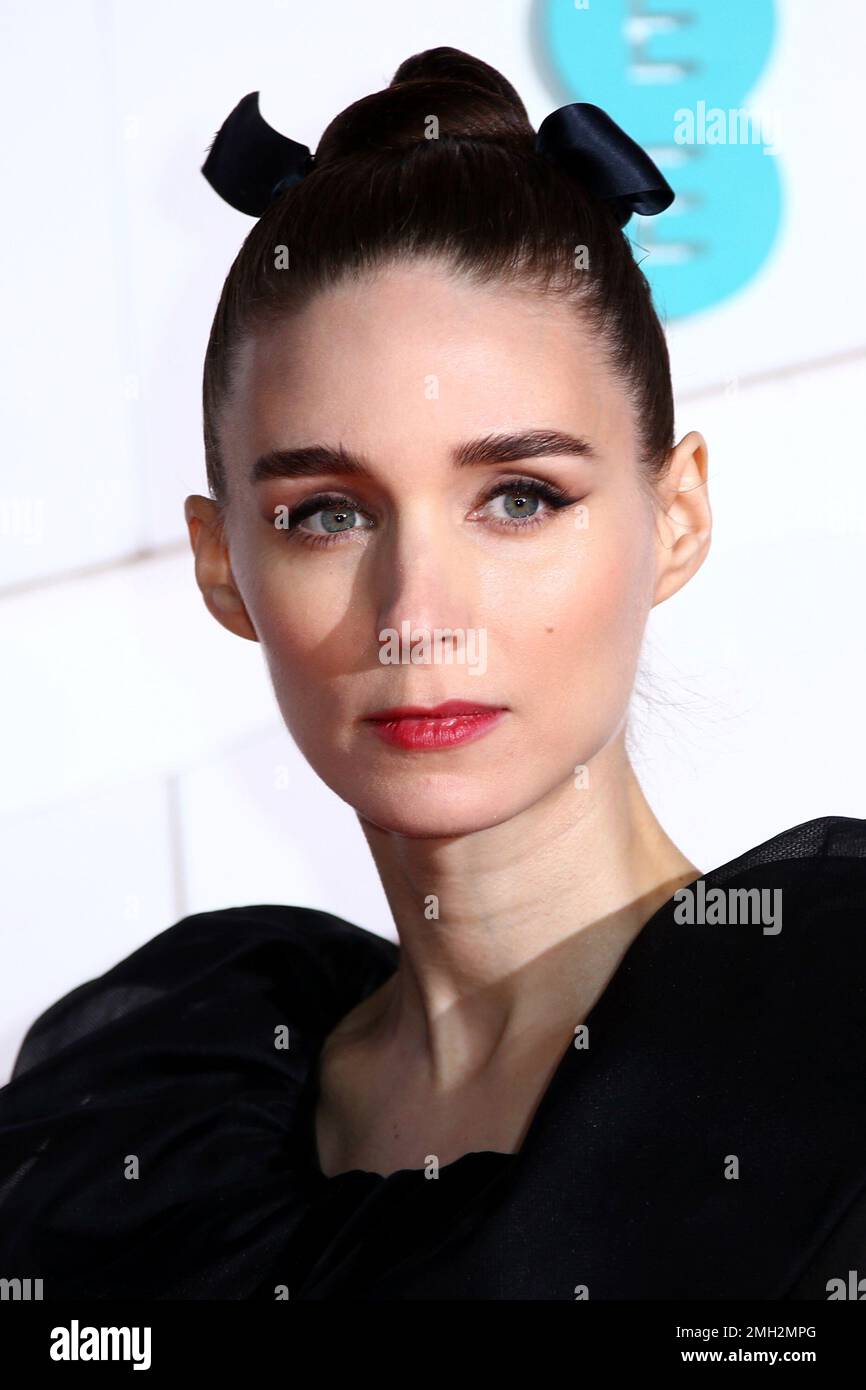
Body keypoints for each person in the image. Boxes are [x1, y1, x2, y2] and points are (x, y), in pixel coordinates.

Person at [1, 47, 864, 1302]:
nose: (416, 615)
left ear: (673, 516)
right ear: (222, 565)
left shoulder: (829, 1060)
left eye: (518, 497)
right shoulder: (146, 1106)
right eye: (325, 513)